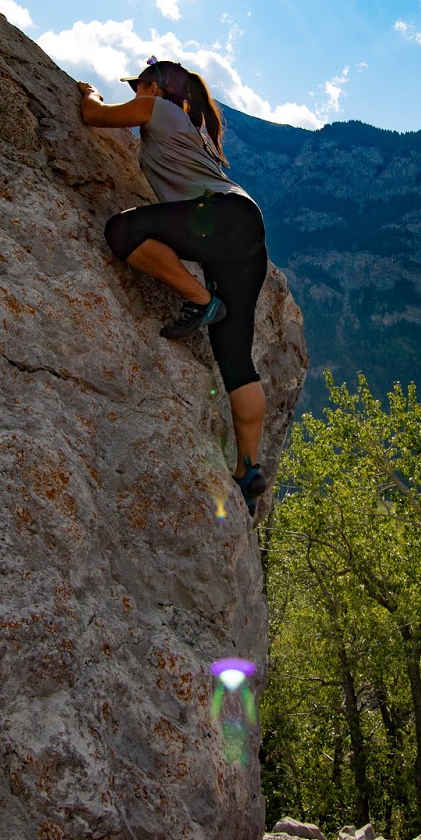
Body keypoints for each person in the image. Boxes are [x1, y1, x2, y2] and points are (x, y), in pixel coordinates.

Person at [78, 59, 269, 512]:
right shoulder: (188, 127)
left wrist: (90, 94)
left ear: (153, 87)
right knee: (236, 361)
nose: (136, 93)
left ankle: (202, 300)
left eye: (139, 86)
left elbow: (96, 117)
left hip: (219, 218)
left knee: (122, 232)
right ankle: (248, 469)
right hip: (244, 230)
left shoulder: (159, 111)